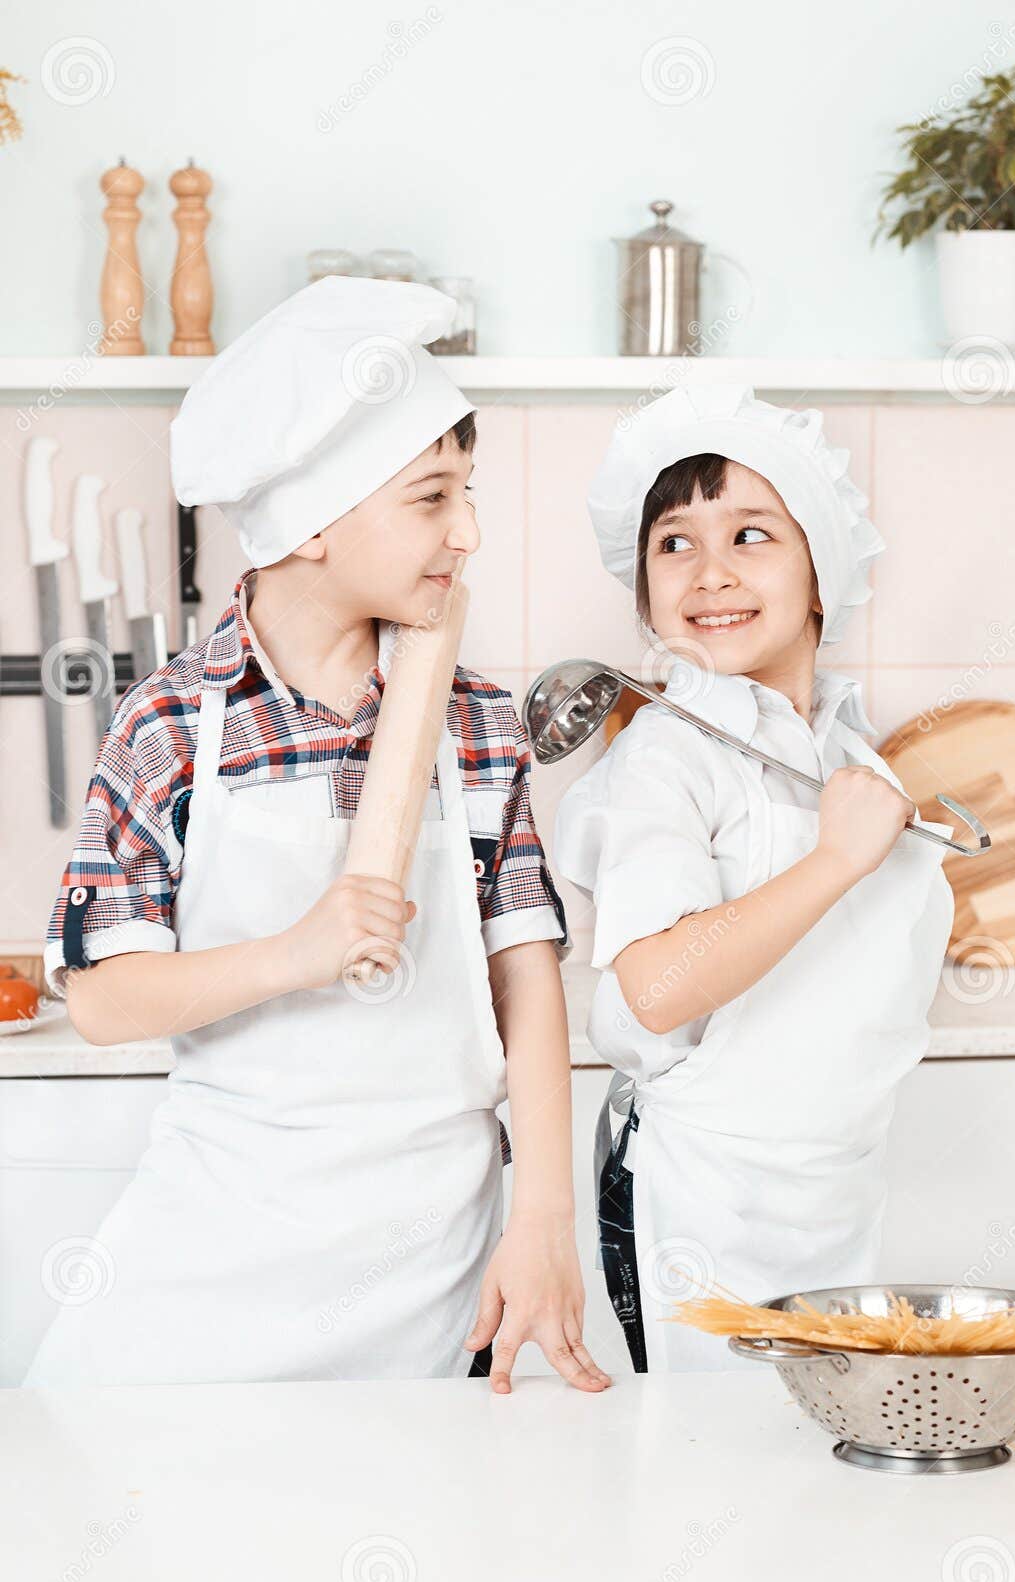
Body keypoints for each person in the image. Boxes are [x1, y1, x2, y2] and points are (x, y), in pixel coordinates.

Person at [27, 279, 610, 1396]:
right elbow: (103, 1000)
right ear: (310, 525)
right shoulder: (170, 724)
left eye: (468, 492)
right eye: (431, 497)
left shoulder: (475, 720)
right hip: (216, 1250)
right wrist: (295, 953)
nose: (469, 532)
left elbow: (525, 978)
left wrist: (543, 1219)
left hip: (430, 1259)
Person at [554, 384, 954, 1372]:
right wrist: (834, 860)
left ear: (822, 577)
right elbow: (655, 985)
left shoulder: (852, 759)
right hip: (698, 1196)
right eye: (673, 544)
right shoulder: (665, 757)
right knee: (697, 1452)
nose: (710, 573)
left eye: (750, 534)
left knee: (813, 1453)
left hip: (834, 1189)